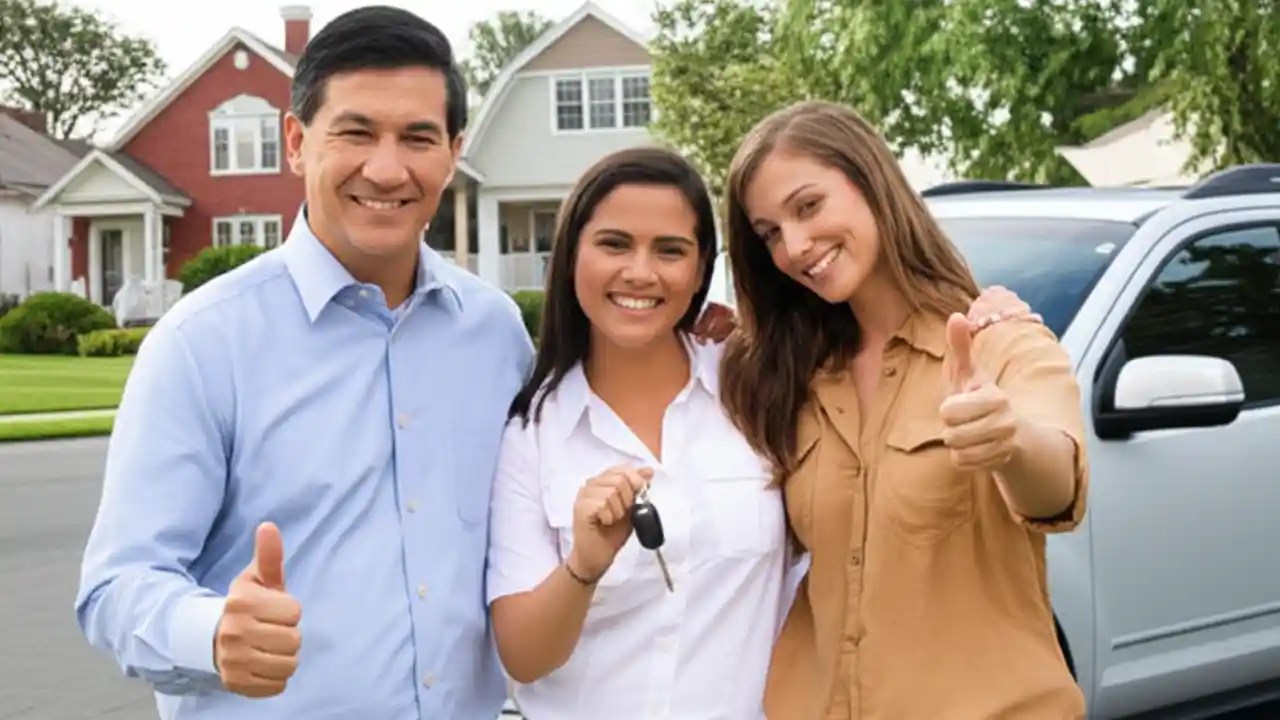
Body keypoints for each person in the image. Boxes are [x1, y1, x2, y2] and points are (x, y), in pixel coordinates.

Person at [74, 8, 531, 719]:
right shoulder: (203, 343)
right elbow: (116, 586)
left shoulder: (495, 333)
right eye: (355, 132)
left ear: (452, 151)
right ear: (296, 141)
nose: (386, 168)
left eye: (417, 137)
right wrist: (212, 631)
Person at [482, 146, 1038, 720]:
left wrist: (983, 312)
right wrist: (584, 566)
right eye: (614, 244)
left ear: (700, 271)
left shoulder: (755, 384)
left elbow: (867, 335)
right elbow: (522, 657)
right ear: (571, 254)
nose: (640, 272)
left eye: (670, 250)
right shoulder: (532, 433)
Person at [718, 99, 1089, 719]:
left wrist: (1009, 442)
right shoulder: (788, 377)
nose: (795, 246)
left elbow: (1057, 488)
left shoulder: (1000, 342)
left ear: (872, 183)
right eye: (769, 233)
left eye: (809, 207)